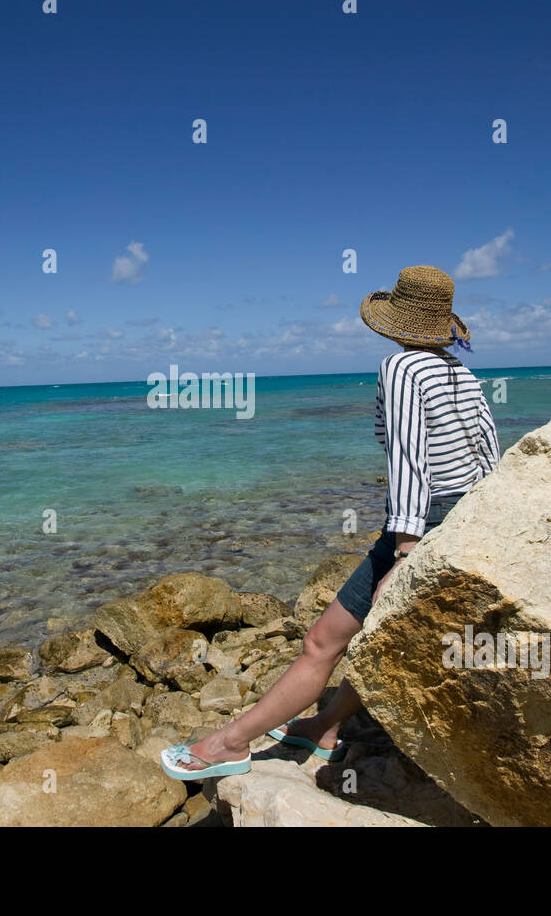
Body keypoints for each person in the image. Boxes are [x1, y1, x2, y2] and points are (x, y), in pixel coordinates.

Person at [161, 265, 501, 779]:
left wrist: (405, 555)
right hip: (462, 518)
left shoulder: (403, 369)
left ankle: (227, 745)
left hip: (423, 524)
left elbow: (408, 460)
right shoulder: (461, 372)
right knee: (377, 637)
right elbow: (487, 453)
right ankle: (325, 725)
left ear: (396, 321)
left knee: (323, 642)